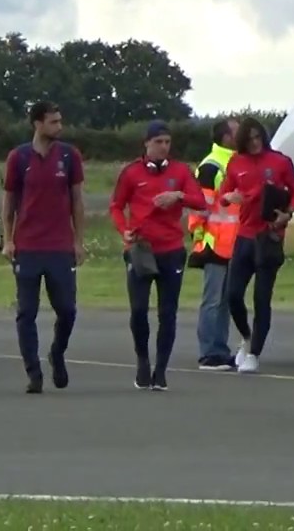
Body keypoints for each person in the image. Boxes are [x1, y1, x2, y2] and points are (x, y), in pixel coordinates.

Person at [110, 121, 207, 390]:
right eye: (158, 142)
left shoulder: (180, 171)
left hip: (171, 249)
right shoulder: (131, 173)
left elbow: (200, 201)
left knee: (168, 312)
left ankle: (161, 369)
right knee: (139, 309)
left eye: (167, 142)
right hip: (140, 248)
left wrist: (177, 196)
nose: (164, 147)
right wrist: (124, 230)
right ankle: (142, 360)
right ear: (147, 143)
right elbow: (117, 206)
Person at [2, 101, 86, 394]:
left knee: (67, 309)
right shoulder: (18, 157)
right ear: (37, 124)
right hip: (28, 245)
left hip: (60, 245)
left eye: (60, 121)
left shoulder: (69, 155)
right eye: (53, 122)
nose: (59, 127)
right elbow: (9, 201)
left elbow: (77, 200)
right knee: (27, 311)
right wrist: (8, 239)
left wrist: (78, 241)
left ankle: (57, 352)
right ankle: (33, 372)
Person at [216, 117, 294, 373]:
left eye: (258, 137)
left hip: (269, 235)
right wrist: (227, 198)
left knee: (261, 298)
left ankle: (255, 352)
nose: (255, 143)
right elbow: (224, 193)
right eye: (250, 139)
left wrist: (289, 212)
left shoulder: (279, 161)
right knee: (233, 294)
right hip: (244, 235)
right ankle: (246, 336)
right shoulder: (236, 162)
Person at [187, 117, 241, 371]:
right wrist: (198, 237)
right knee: (212, 300)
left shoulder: (235, 163)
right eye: (237, 132)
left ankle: (220, 349)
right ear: (226, 138)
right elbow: (201, 206)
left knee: (226, 301)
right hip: (215, 242)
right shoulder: (212, 166)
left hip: (233, 242)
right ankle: (209, 352)